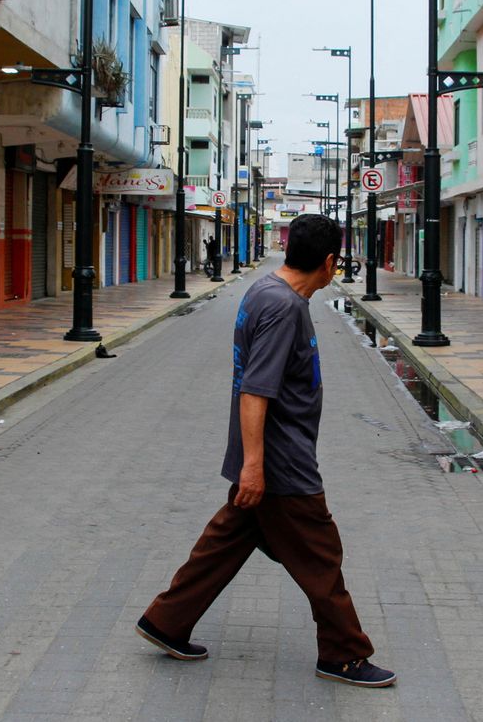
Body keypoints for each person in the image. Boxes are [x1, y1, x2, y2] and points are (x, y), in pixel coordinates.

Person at [136, 215, 395, 688]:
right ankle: (344, 654)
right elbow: (256, 389)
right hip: (281, 461)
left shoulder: (266, 291)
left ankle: (165, 621)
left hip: (267, 456)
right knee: (321, 556)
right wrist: (255, 467)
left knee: (225, 542)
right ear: (329, 262)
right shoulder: (283, 307)